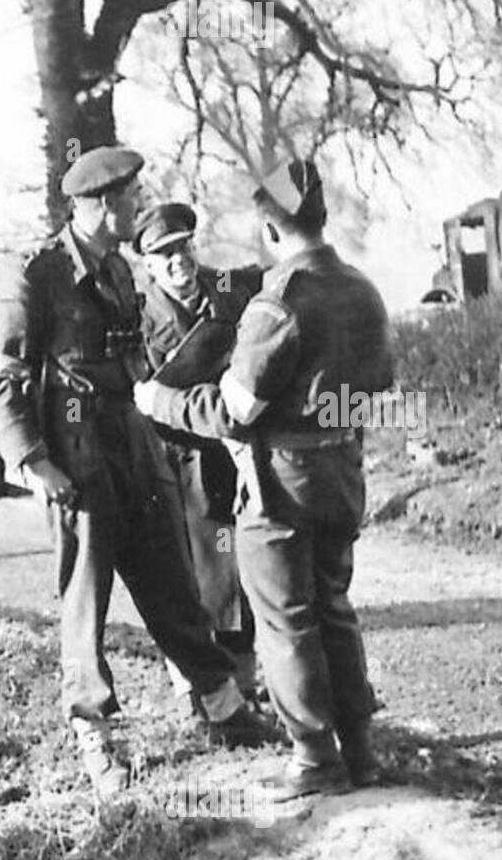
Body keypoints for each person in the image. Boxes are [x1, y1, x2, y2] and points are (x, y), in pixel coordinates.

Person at [0, 144, 267, 797]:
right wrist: (33, 461)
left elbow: (134, 368)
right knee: (87, 605)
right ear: (105, 204)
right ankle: (93, 736)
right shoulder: (34, 276)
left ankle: (222, 707)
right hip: (76, 467)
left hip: (136, 452)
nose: (139, 205)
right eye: (131, 197)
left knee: (173, 586)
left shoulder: (119, 271)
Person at [135, 159, 391, 799]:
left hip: (281, 482)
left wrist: (156, 402)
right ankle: (361, 753)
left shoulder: (278, 304)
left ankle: (313, 758)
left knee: (286, 620)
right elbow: (379, 385)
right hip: (344, 472)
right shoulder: (363, 290)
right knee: (336, 607)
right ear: (322, 217)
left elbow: (232, 412)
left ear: (271, 232)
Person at [133, 202, 263, 702]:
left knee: (231, 572)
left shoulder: (223, 288)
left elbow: (266, 287)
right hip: (169, 466)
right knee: (179, 579)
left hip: (224, 455)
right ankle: (194, 687)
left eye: (183, 247)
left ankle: (243, 683)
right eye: (164, 255)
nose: (178, 263)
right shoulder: (136, 311)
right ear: (147, 263)